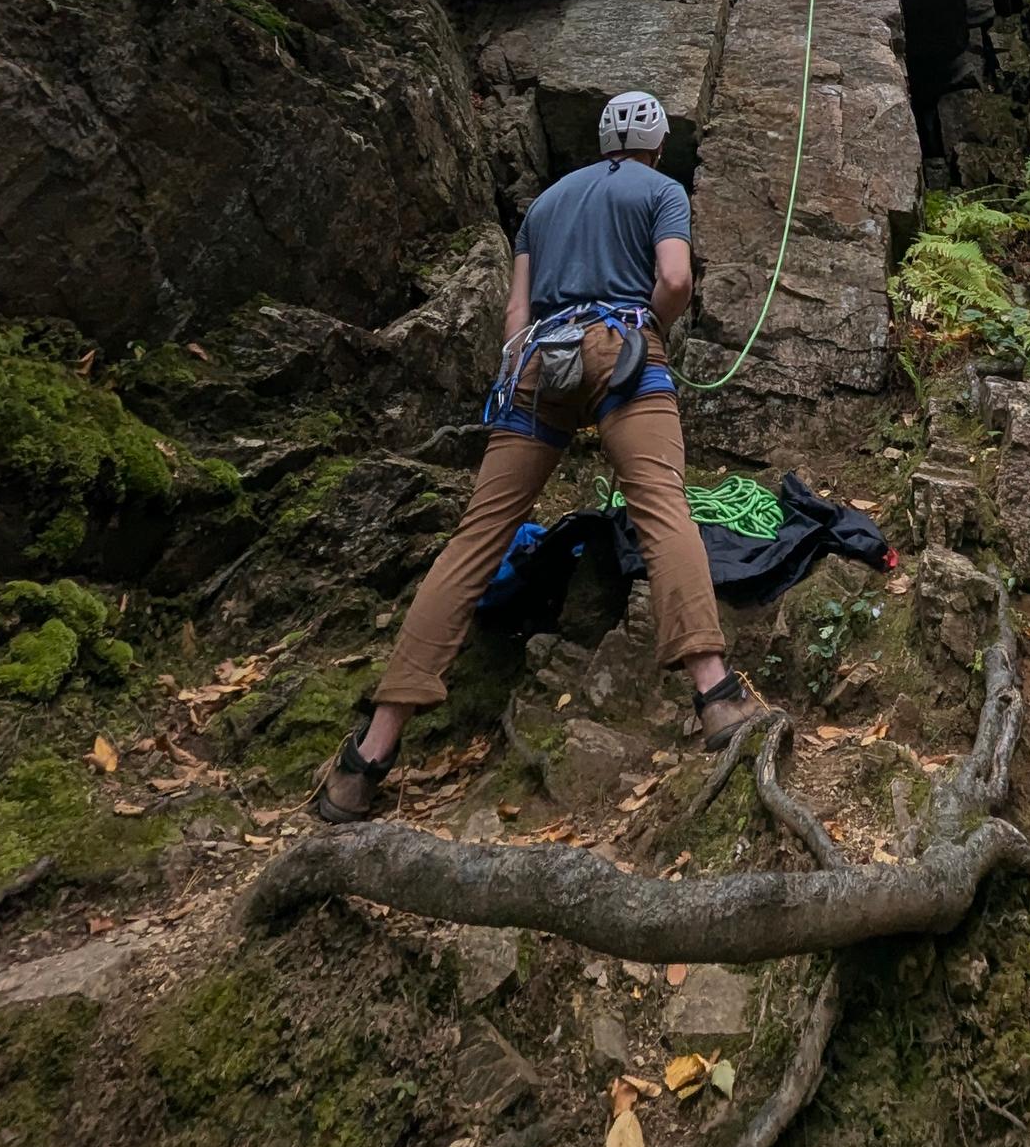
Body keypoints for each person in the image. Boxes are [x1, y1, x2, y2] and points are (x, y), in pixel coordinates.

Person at [314, 91, 765, 822]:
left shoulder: (545, 205)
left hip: (536, 365)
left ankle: (369, 753)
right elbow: (676, 279)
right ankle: (715, 693)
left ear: (600, 141)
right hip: (622, 349)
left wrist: (517, 375)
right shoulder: (662, 191)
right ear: (654, 144)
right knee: (660, 504)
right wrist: (648, 328)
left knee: (475, 541)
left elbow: (515, 317)